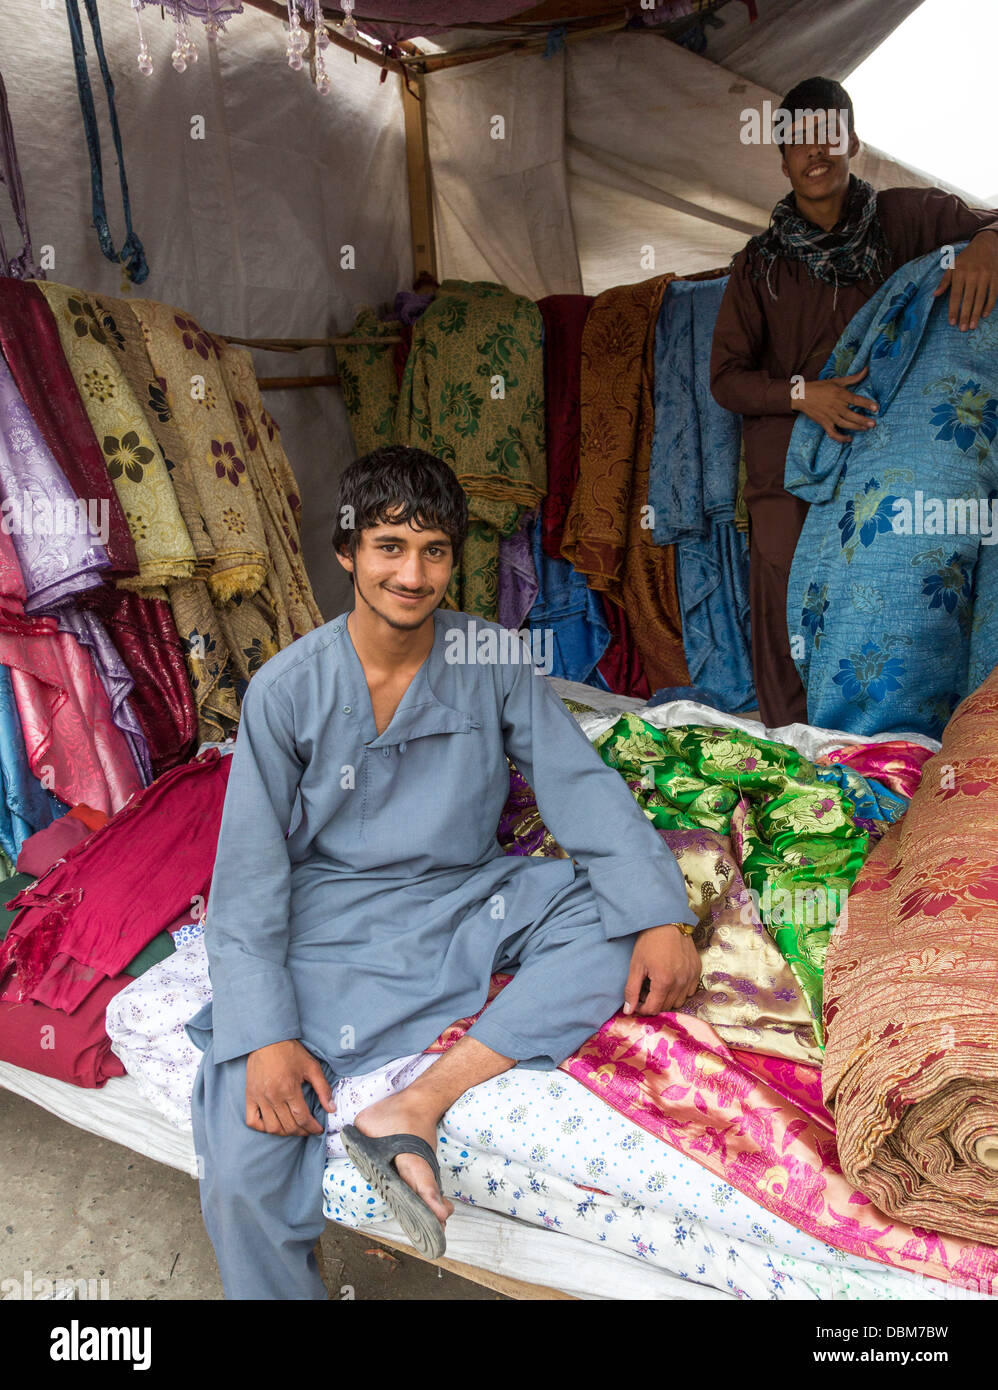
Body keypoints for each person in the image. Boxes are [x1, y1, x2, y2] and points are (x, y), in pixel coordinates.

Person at [187, 445, 701, 1299]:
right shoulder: (285, 690)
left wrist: (660, 914)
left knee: (613, 925)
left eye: (433, 550)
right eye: (389, 546)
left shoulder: (490, 657)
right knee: (245, 1157)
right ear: (348, 553)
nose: (413, 573)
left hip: (466, 894)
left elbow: (575, 782)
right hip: (331, 923)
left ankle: (413, 1107)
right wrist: (264, 1035)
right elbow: (247, 874)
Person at [710, 75, 998, 729]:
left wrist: (986, 247)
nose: (816, 152)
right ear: (782, 158)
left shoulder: (907, 219)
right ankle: (797, 764)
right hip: (788, 465)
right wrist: (803, 393)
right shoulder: (758, 267)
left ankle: (907, 750)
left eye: (829, 135)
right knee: (789, 618)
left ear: (852, 143)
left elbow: (993, 219)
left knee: (907, 597)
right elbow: (725, 377)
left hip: (880, 457)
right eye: (799, 141)